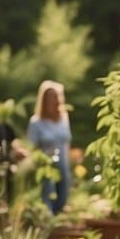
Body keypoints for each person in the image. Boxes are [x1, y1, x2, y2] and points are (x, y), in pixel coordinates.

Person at [27, 80, 72, 215]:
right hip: (46, 168)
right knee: (48, 202)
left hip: (63, 166)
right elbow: (32, 148)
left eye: (56, 97)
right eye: (51, 98)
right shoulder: (36, 122)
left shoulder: (64, 118)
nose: (54, 100)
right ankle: (47, 230)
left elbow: (67, 143)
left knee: (62, 200)